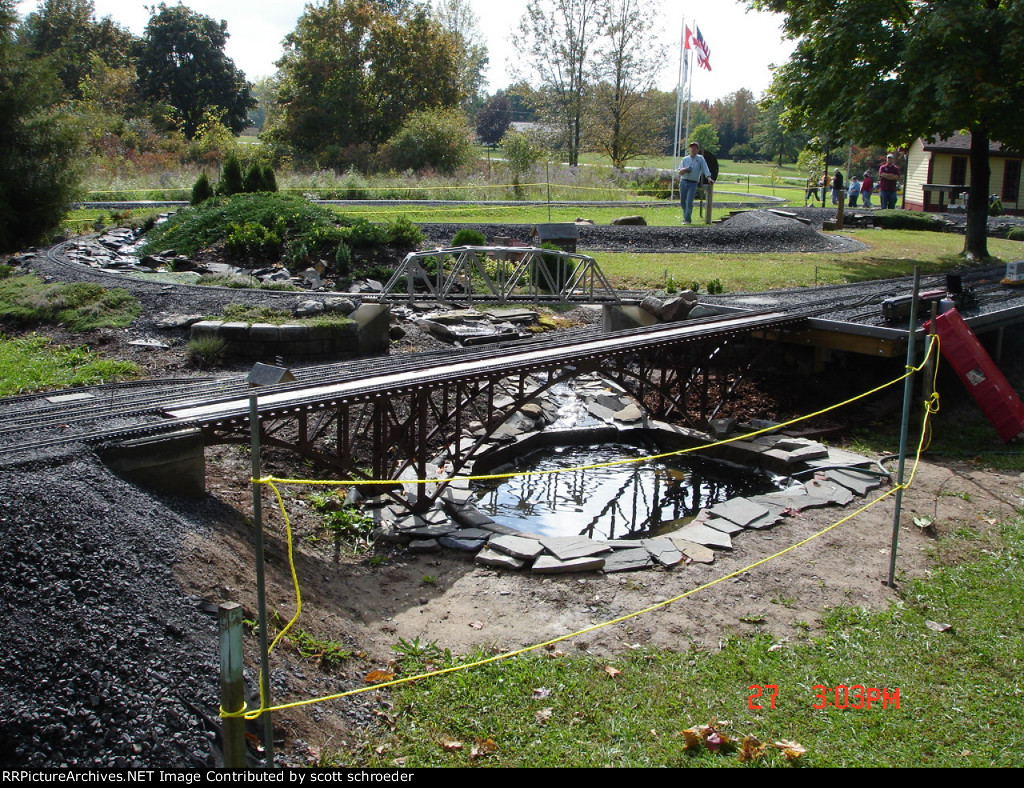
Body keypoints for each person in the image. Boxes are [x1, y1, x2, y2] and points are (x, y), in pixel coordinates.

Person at [678, 141, 714, 224]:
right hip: (683, 181)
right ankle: (685, 217)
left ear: (698, 150)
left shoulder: (700, 158)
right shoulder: (685, 159)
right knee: (683, 201)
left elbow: (705, 168)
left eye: (695, 148)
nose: (693, 150)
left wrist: (709, 177)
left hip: (693, 183)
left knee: (689, 201)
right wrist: (684, 170)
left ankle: (687, 219)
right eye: (691, 148)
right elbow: (679, 171)